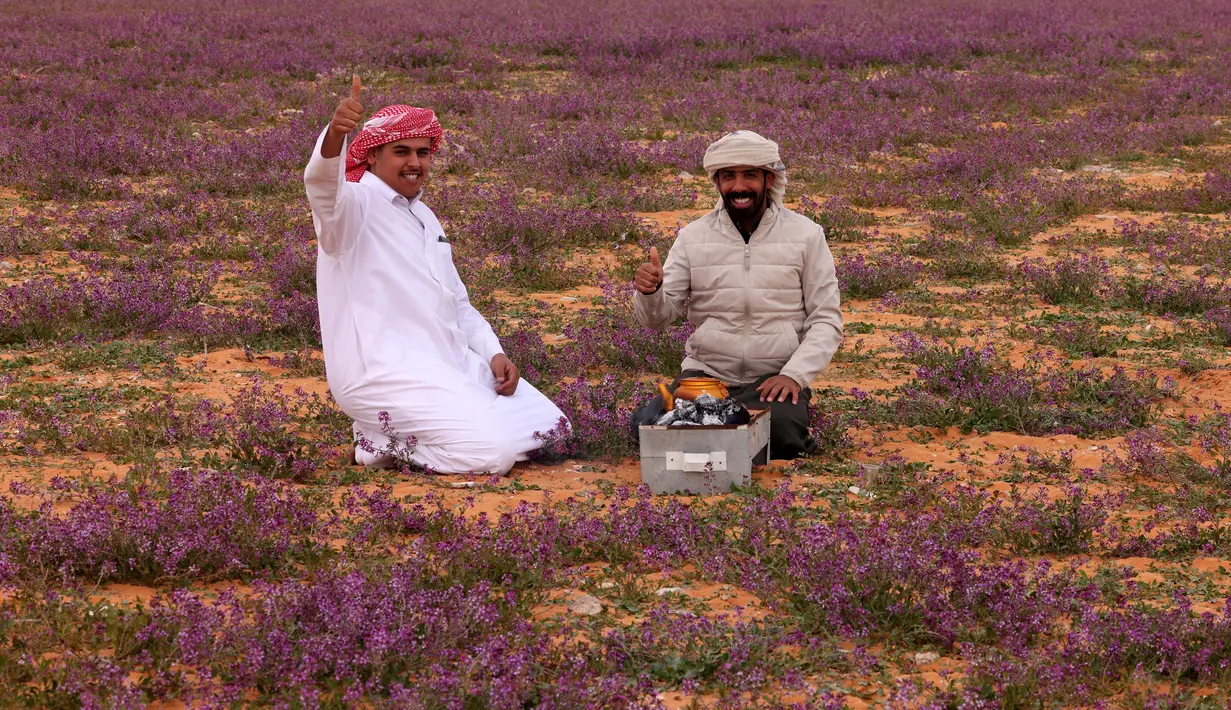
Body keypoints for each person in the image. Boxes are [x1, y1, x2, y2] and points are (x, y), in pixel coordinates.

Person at [304, 76, 568, 473]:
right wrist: (335, 136)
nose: (415, 163)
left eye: (423, 153)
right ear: (372, 156)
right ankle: (380, 444)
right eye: (401, 152)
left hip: (448, 365)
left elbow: (456, 301)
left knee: (554, 430)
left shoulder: (424, 215)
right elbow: (323, 187)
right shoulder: (352, 207)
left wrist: (493, 352)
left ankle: (408, 433)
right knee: (492, 455)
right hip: (383, 374)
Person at [630, 130, 843, 459]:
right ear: (717, 182)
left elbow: (826, 320)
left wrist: (793, 375)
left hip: (771, 381)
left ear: (769, 179)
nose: (739, 187)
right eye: (728, 176)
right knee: (645, 426)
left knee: (782, 434)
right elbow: (657, 319)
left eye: (750, 175)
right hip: (705, 378)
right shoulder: (693, 237)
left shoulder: (806, 235)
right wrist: (651, 292)